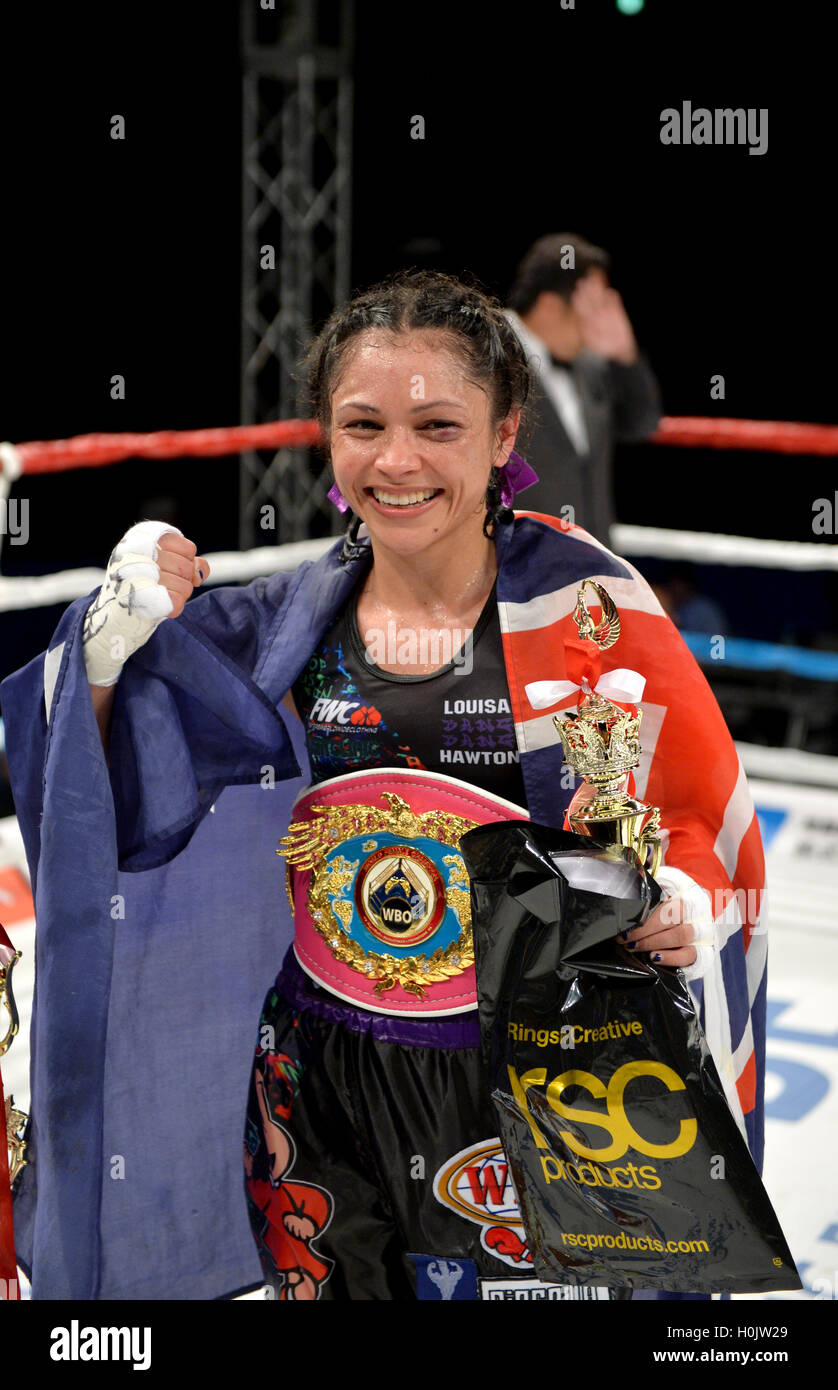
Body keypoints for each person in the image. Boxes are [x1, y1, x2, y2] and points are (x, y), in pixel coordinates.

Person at [1, 270, 765, 1302]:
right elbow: (105, 801)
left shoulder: (587, 608)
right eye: (363, 424)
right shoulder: (274, 633)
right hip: (319, 1083)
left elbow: (696, 813)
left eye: (437, 424)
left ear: (503, 436)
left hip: (541, 1082)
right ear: (327, 434)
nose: (395, 461)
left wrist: (681, 903)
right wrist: (102, 644)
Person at [505, 233, 662, 544]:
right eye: (594, 302)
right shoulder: (487, 360)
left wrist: (625, 357)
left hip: (592, 559)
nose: (602, 314)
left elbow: (642, 424)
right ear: (550, 305)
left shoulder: (591, 366)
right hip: (516, 568)